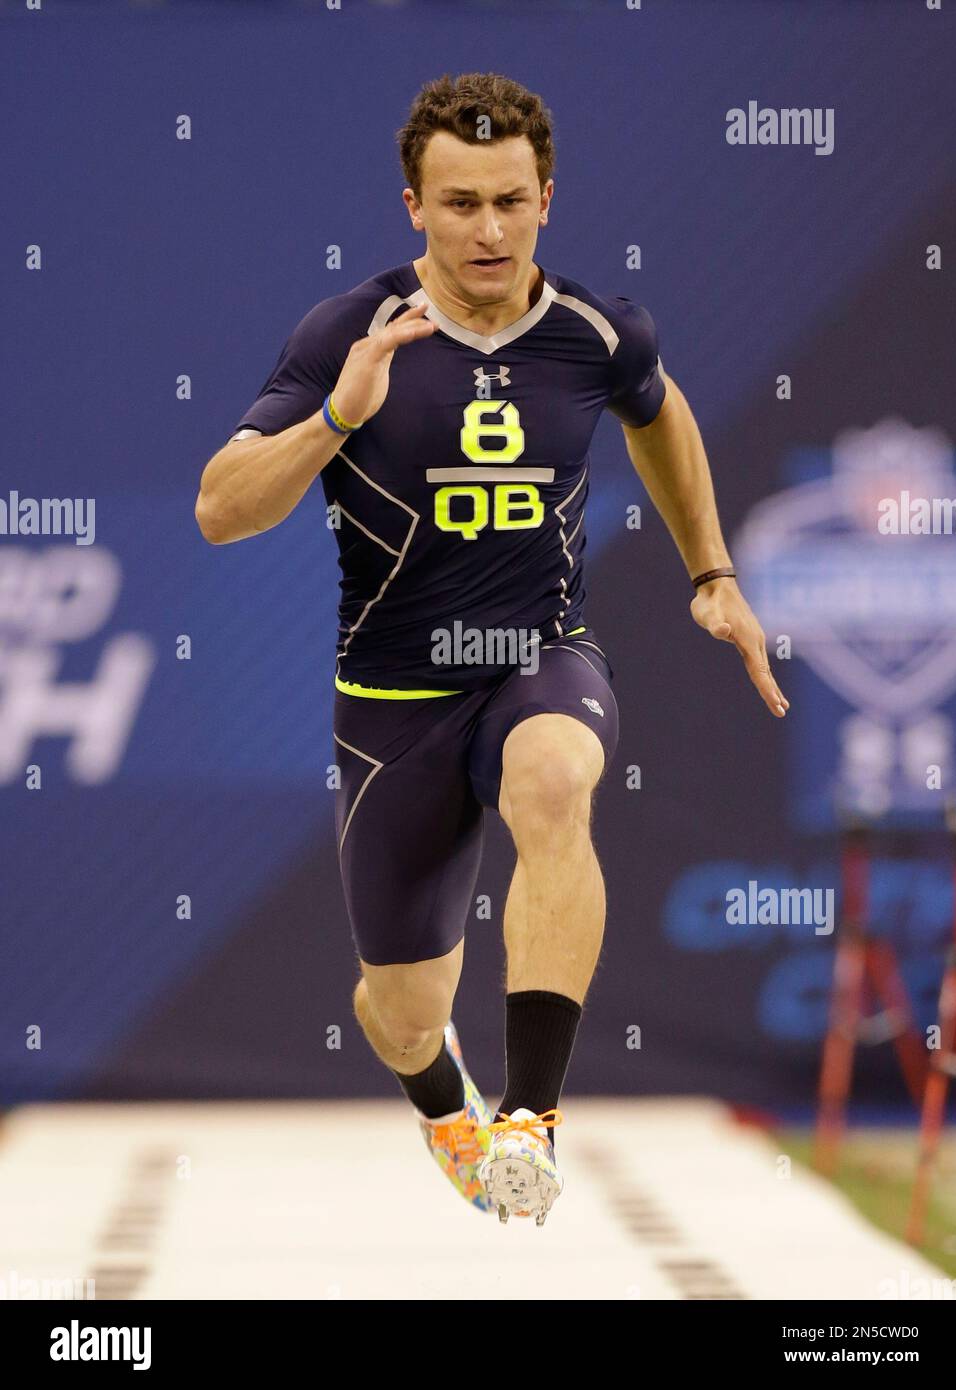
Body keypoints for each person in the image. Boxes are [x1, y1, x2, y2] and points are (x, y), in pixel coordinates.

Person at [195, 72, 789, 1226]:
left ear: (548, 198)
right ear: (412, 206)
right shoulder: (346, 335)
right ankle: (445, 1100)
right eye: (460, 203)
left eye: (511, 200)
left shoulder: (598, 332)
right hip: (391, 704)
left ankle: (533, 1116)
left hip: (540, 659)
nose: (489, 228)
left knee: (556, 778)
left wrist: (711, 573)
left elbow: (658, 409)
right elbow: (221, 509)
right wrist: (334, 419)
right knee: (399, 1010)